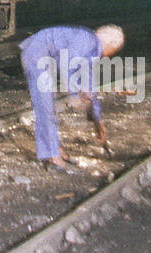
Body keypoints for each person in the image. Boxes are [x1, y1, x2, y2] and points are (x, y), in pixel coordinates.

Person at [19, 24, 125, 169]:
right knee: (45, 105)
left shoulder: (92, 49)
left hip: (44, 55)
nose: (114, 53)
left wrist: (98, 121)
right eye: (117, 48)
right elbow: (67, 63)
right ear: (111, 44)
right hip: (36, 53)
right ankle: (51, 156)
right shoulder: (87, 42)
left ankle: (55, 149)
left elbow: (89, 86)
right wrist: (74, 94)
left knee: (49, 106)